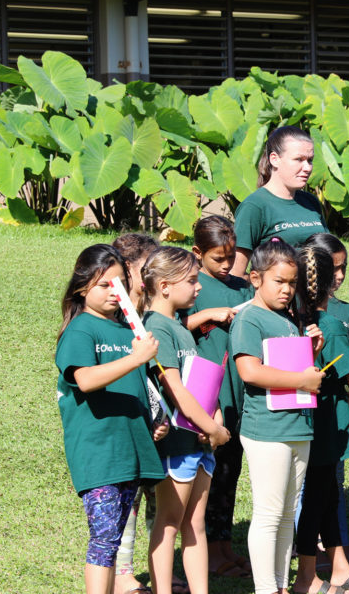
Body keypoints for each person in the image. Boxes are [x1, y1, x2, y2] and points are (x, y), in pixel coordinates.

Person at [55, 244, 167, 594]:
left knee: (114, 539)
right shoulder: (81, 330)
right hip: (99, 453)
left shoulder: (126, 331)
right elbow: (86, 379)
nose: (114, 293)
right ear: (82, 286)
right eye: (105, 285)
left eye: (120, 284)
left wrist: (152, 421)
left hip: (131, 451)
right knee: (103, 540)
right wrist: (137, 358)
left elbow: (134, 389)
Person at [230, 239, 325, 594]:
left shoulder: (287, 319)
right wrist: (303, 379)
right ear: (255, 278)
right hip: (267, 430)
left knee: (288, 515)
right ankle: (266, 588)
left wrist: (312, 351)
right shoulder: (249, 319)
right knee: (270, 514)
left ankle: (282, 585)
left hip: (298, 425)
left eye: (292, 283)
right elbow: (250, 372)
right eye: (279, 282)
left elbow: (290, 368)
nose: (287, 290)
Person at [141, 247, 232, 594]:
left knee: (195, 522)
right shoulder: (157, 327)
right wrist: (214, 429)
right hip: (178, 442)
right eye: (191, 280)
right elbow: (174, 388)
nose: (198, 288)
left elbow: (199, 383)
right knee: (168, 522)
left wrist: (214, 420)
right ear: (164, 286)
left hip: (200, 441)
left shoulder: (178, 325)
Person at [292, 245, 349, 594]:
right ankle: (306, 576)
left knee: (322, 496)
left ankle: (338, 566)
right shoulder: (328, 324)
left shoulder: (293, 320)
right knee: (319, 498)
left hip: (302, 419)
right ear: (329, 283)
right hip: (327, 423)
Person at [184, 216, 255, 579]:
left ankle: (224, 546)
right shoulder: (192, 287)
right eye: (218, 259)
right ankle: (209, 552)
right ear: (198, 254)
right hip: (208, 393)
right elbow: (170, 326)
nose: (227, 265)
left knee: (230, 472)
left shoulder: (243, 288)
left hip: (239, 393)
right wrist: (207, 316)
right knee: (210, 474)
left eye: (230, 257)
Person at [110, 233, 171, 594]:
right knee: (127, 498)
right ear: (130, 269)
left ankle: (158, 568)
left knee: (155, 494)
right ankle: (122, 573)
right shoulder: (115, 316)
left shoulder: (151, 312)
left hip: (158, 421)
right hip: (129, 422)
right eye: (147, 267)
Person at [231, 126, 328, 277]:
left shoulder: (311, 202)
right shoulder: (254, 207)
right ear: (274, 159)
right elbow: (236, 274)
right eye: (299, 159)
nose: (307, 167)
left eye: (310, 160)